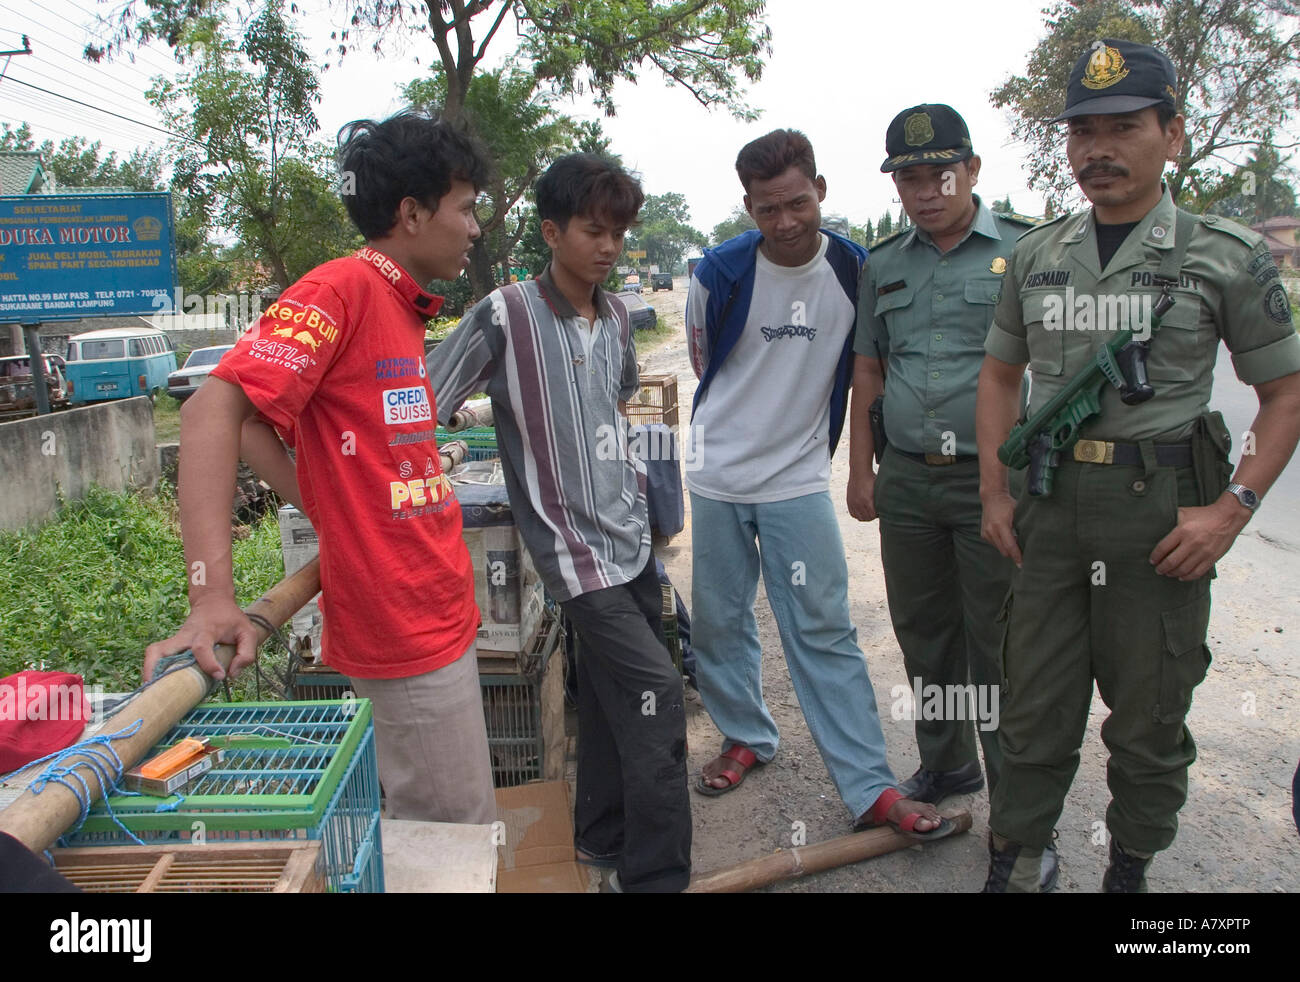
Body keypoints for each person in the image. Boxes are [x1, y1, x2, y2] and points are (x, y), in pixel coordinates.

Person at [977, 39, 1300, 891]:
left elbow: (1285, 395)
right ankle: (1017, 857)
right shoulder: (1039, 254)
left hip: (1161, 509)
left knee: (1150, 711)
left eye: (1123, 127)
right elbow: (1001, 378)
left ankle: (1130, 869)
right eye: (1083, 132)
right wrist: (993, 493)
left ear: (1175, 134)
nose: (1097, 150)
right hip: (1049, 502)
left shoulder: (1223, 254)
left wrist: (1230, 509)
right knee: (1033, 703)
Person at [143, 111, 498, 826]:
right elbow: (212, 412)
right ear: (411, 212)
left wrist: (330, 504)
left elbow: (254, 429)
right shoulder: (341, 290)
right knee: (453, 843)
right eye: (465, 208)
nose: (474, 228)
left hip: (434, 607)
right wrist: (212, 597)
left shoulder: (398, 306)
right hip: (403, 629)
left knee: (440, 831)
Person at [426, 153, 692, 893]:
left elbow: (617, 400)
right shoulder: (505, 314)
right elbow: (424, 399)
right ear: (552, 231)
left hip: (629, 543)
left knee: (614, 702)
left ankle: (602, 845)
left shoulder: (613, 316)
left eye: (618, 232)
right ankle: (657, 878)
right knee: (658, 697)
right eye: (593, 230)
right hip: (572, 557)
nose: (608, 246)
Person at [686, 128, 952, 840]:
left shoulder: (855, 272)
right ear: (748, 206)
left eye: (797, 203)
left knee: (824, 630)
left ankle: (869, 787)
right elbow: (706, 364)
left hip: (797, 478)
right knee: (717, 622)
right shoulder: (718, 272)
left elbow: (869, 373)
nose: (785, 222)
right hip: (715, 476)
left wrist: (861, 463)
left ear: (821, 191)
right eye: (767, 209)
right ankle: (747, 735)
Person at [847, 105, 1059, 888]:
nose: (926, 190)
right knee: (925, 632)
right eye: (909, 176)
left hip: (991, 483)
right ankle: (947, 766)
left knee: (1003, 648)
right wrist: (861, 472)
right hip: (907, 479)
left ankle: (1019, 810)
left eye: (941, 172)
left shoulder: (1027, 252)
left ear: (971, 169)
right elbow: (868, 371)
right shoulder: (884, 265)